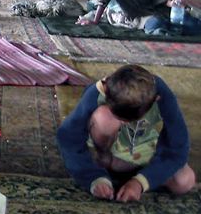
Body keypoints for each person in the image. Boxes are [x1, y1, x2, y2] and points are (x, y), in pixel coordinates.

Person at [56, 64, 195, 202]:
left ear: (155, 99)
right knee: (105, 117)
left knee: (185, 181)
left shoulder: (162, 95)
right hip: (110, 156)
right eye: (121, 119)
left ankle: (130, 181)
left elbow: (178, 149)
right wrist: (94, 178)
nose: (125, 124)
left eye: (129, 120)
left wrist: (140, 182)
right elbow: (68, 138)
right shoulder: (96, 92)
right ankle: (105, 170)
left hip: (144, 157)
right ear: (106, 90)